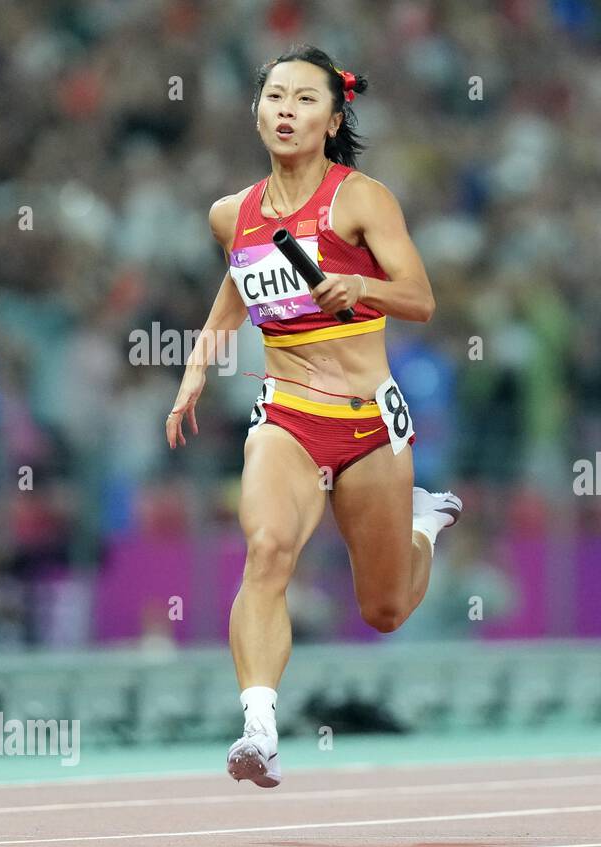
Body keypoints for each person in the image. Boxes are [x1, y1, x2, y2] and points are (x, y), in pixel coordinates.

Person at [166, 45, 460, 788]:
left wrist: (355, 287)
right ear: (256, 111)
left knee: (385, 609)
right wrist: (198, 365)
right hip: (288, 412)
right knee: (266, 549)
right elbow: (236, 289)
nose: (286, 110)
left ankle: (423, 524)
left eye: (304, 99)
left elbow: (421, 298)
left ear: (333, 118)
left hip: (368, 424)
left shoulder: (361, 198)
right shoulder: (231, 213)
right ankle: (258, 728)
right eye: (274, 97)